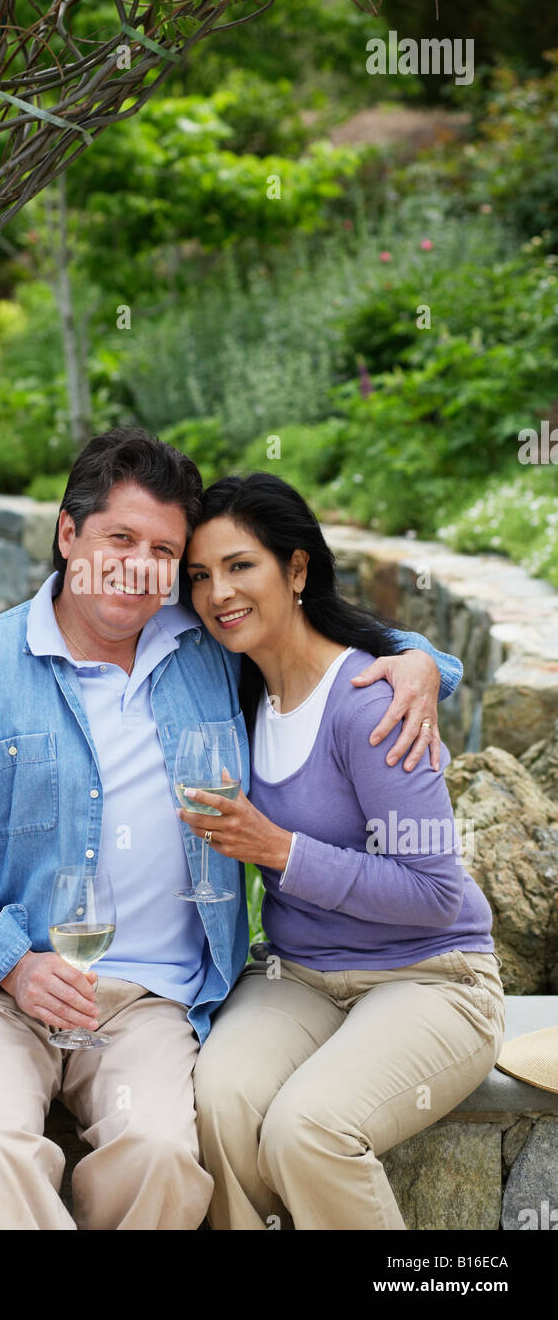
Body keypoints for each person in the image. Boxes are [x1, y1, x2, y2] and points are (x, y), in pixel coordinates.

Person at [0, 430, 462, 1231]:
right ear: (67, 534)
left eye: (163, 550)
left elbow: (316, 640)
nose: (139, 566)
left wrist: (423, 659)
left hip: (150, 998)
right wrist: (14, 966)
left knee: (159, 1154)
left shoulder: (207, 650)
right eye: (120, 538)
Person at [178, 472, 503, 1231]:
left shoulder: (374, 703)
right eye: (199, 575)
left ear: (297, 570)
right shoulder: (235, 684)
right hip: (299, 975)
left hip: (430, 977)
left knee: (307, 1131)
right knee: (217, 1102)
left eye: (240, 566)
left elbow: (437, 895)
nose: (218, 592)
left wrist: (280, 850)